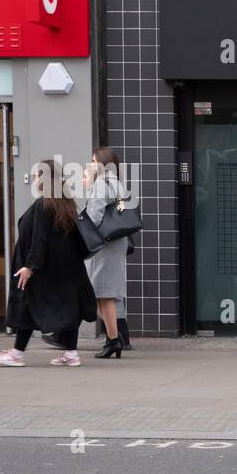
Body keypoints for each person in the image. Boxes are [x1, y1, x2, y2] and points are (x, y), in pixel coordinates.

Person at [0, 170, 96, 368]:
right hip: (68, 268)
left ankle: (16, 353)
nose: (33, 179)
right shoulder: (67, 204)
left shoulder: (43, 205)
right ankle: (71, 353)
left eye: (36, 175)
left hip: (45, 270)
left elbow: (39, 239)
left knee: (26, 305)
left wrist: (30, 267)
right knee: (70, 307)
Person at [83, 146, 131, 359]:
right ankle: (114, 339)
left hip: (104, 244)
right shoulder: (117, 183)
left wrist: (82, 235)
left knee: (105, 293)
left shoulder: (102, 184)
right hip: (115, 241)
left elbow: (94, 215)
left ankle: (114, 340)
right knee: (104, 293)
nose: (90, 165)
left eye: (93, 161)